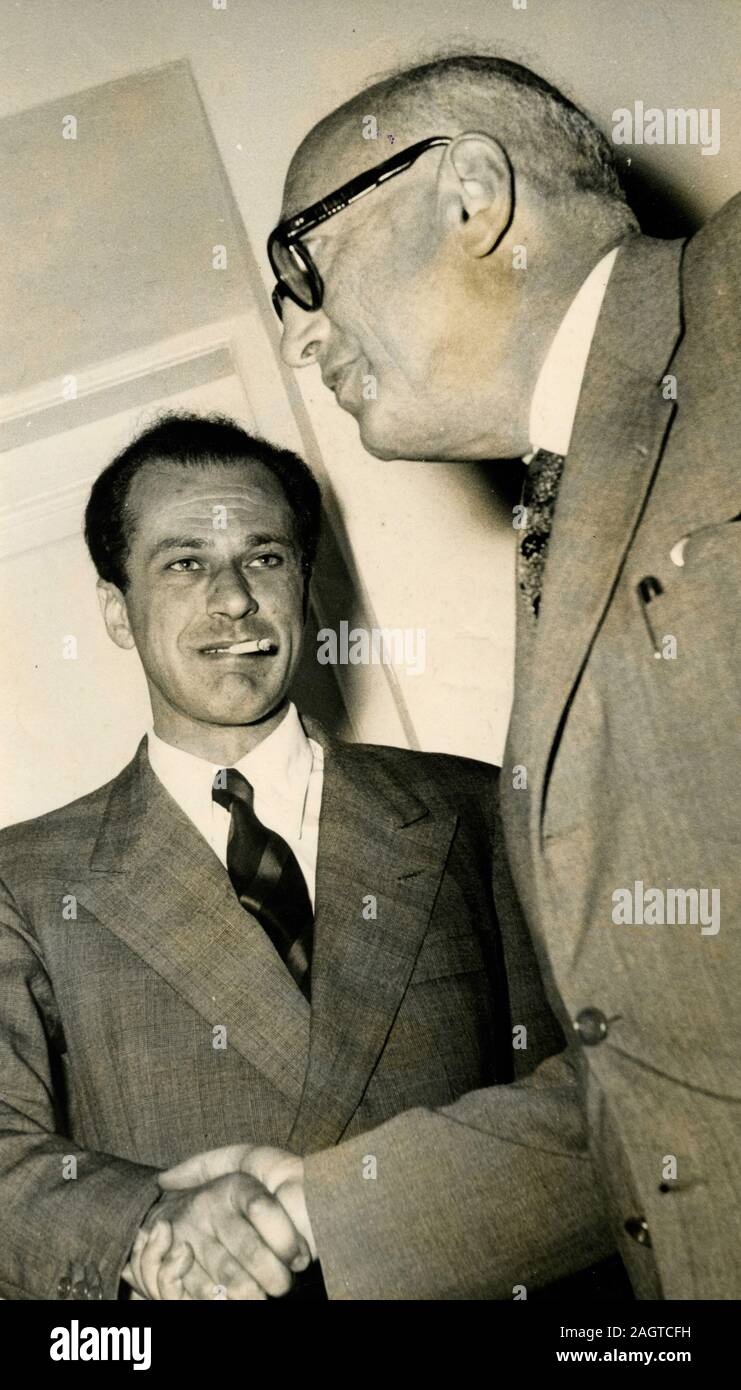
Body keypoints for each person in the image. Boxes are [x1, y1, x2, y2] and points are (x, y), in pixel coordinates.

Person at [156, 55, 739, 1300]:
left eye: (305, 264)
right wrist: (321, 1209)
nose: (299, 332)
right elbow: (656, 1093)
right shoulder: (560, 525)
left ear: (472, 193)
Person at [0, 411, 567, 1302]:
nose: (233, 598)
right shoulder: (26, 881)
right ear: (116, 610)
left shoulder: (474, 809)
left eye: (263, 557)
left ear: (304, 582)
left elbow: (582, 1101)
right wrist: (147, 1223)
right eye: (184, 563)